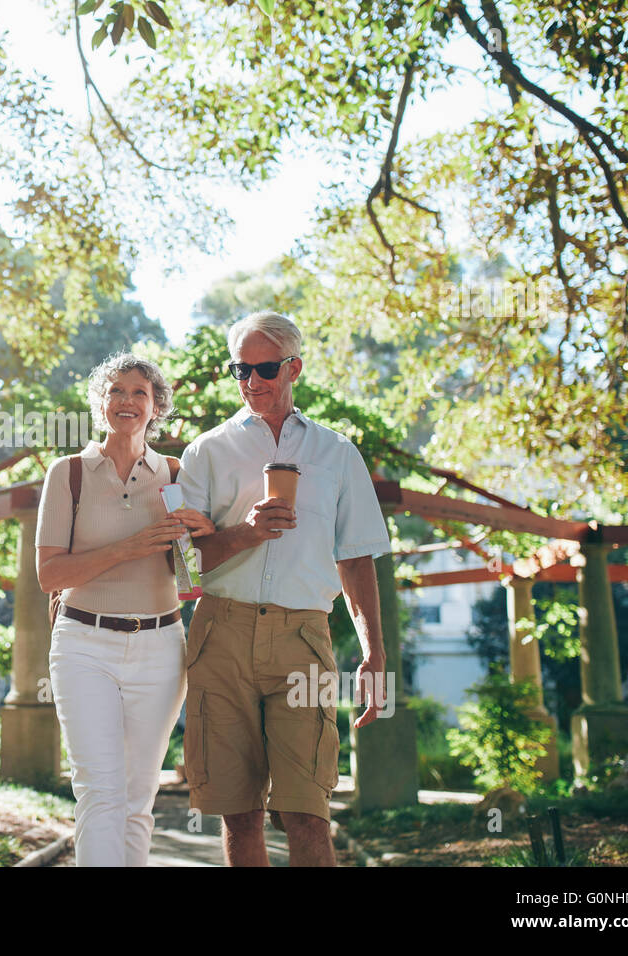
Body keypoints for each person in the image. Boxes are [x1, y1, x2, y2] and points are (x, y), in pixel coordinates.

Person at [177, 311, 392, 867]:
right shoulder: (207, 452)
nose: (252, 381)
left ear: (294, 366)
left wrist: (374, 654)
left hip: (304, 639)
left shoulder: (338, 453)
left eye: (265, 367)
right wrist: (247, 534)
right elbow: (184, 565)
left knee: (307, 810)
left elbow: (357, 556)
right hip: (221, 634)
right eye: (240, 370)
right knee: (240, 813)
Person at [35, 352, 215, 867]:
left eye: (140, 392)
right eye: (116, 391)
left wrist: (197, 540)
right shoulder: (68, 473)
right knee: (99, 790)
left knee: (138, 800)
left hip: (161, 646)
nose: (127, 401)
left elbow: (190, 580)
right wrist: (130, 546)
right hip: (84, 645)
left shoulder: (176, 473)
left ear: (156, 406)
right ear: (101, 403)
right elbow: (51, 575)